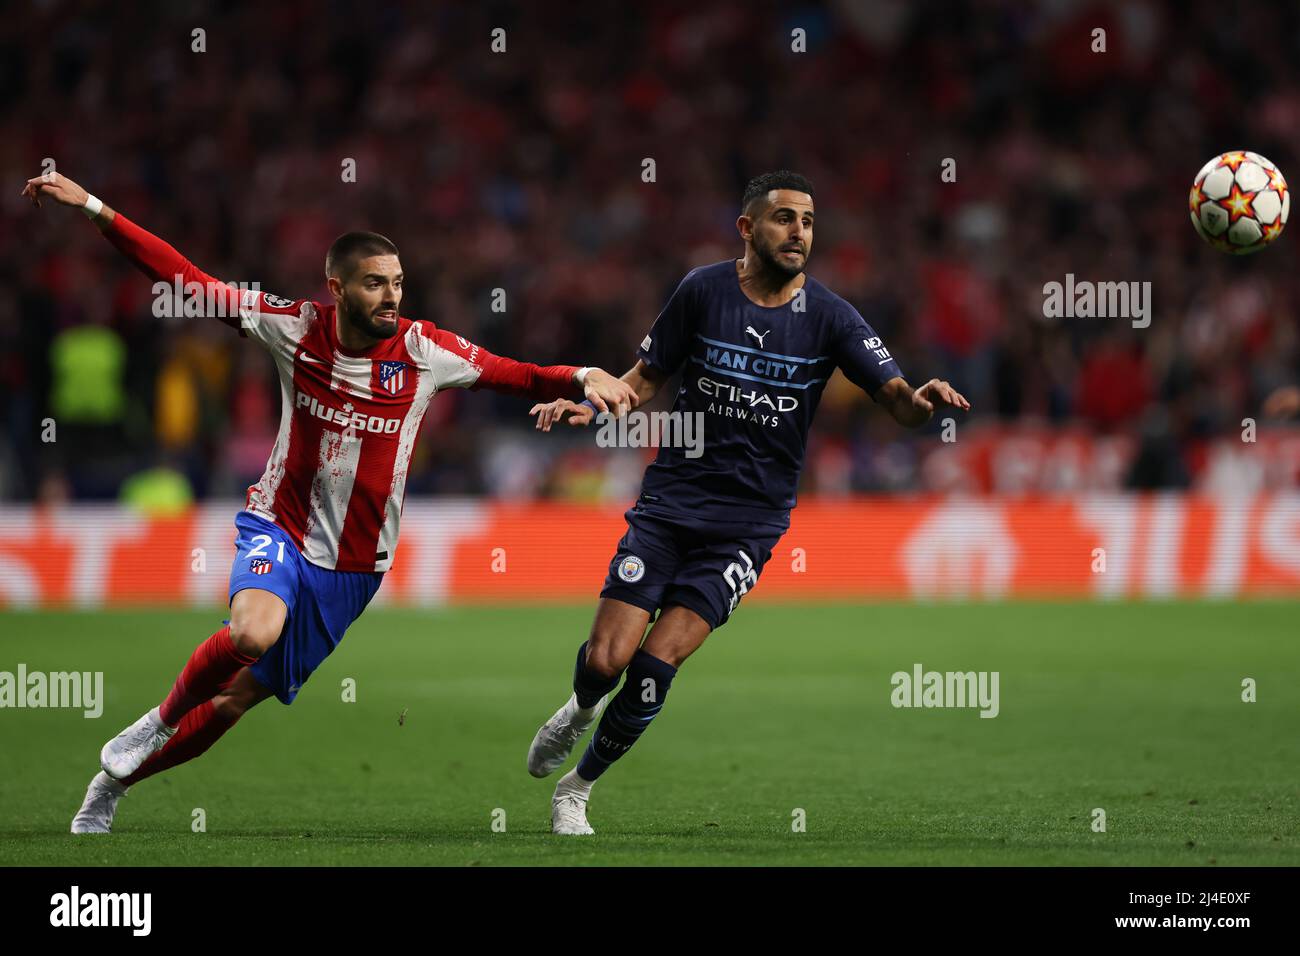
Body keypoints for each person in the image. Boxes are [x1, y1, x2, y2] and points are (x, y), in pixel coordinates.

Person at [21, 170, 638, 833]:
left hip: (351, 568)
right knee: (252, 632)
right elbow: (187, 281)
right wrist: (92, 207)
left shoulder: (425, 352)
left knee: (231, 706)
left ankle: (111, 787)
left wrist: (579, 374)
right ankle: (158, 721)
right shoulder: (293, 330)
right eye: (375, 283)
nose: (391, 296)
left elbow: (514, 373)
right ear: (338, 289)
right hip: (279, 523)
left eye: (398, 282)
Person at [524, 171, 970, 834]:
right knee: (607, 661)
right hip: (670, 507)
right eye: (784, 218)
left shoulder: (830, 317)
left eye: (809, 222)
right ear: (747, 228)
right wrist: (591, 404)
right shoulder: (701, 291)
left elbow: (896, 399)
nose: (798, 233)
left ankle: (577, 789)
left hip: (746, 528)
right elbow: (645, 378)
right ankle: (580, 708)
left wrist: (920, 402)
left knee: (653, 667)